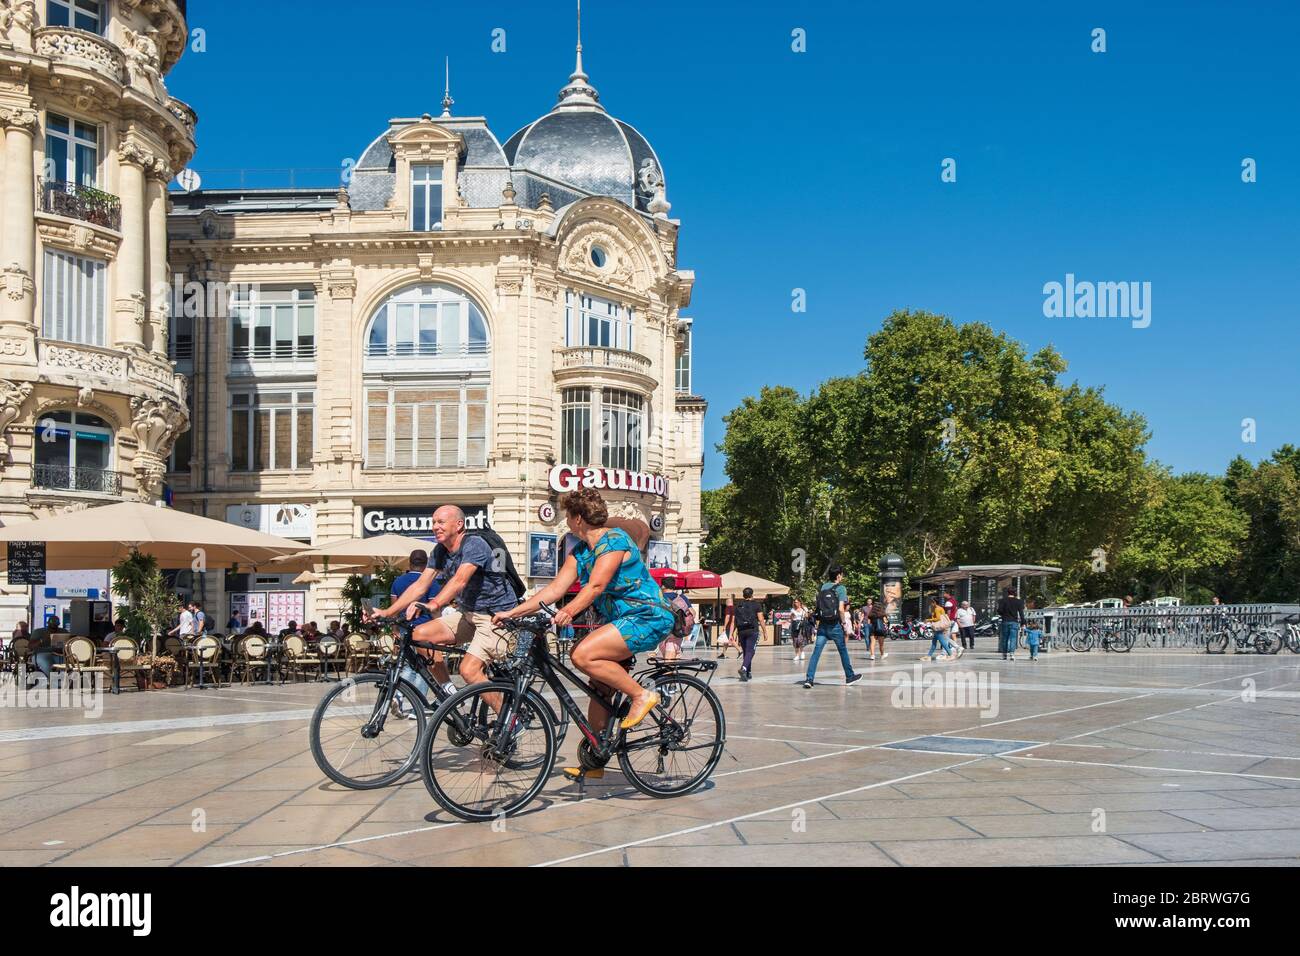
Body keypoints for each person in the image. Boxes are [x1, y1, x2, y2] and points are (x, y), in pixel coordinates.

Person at [495, 487, 673, 780]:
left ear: (578, 518)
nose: (566, 521)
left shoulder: (614, 540)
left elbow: (596, 587)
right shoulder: (580, 552)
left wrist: (569, 611)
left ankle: (642, 695)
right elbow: (555, 589)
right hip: (620, 621)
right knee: (600, 687)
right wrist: (512, 613)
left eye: (568, 515)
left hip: (647, 616)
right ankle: (596, 759)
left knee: (582, 654)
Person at [372, 505, 518, 694]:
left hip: (495, 617)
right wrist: (387, 612)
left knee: (469, 671)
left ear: (458, 525)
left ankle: (512, 723)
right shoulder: (440, 551)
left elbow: (459, 580)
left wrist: (433, 604)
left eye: (440, 522)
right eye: (433, 522)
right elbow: (420, 585)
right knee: (419, 634)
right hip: (468, 615)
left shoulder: (474, 544)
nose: (435, 526)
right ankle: (448, 691)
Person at [387, 549, 453, 701]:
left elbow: (394, 609)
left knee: (407, 665)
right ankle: (417, 702)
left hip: (404, 630)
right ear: (427, 564)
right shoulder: (431, 583)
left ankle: (398, 696)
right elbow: (435, 610)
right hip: (426, 631)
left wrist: (395, 630)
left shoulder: (398, 582)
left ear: (409, 563)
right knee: (424, 668)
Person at [802, 566, 863, 689]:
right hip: (835, 625)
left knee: (816, 652)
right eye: (842, 574)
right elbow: (841, 609)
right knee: (842, 650)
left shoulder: (824, 587)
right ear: (839, 575)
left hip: (823, 625)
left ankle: (809, 679)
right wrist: (844, 624)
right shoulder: (841, 589)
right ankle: (849, 676)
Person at [729, 586, 766, 682]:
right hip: (752, 630)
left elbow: (733, 621)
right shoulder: (756, 605)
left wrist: (731, 634)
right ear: (752, 594)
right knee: (751, 651)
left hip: (741, 631)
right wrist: (765, 632)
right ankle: (744, 668)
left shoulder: (737, 605)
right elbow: (761, 619)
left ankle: (748, 673)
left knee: (746, 652)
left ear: (743, 595)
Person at [30, 614, 67, 681]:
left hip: (59, 654)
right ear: (47, 624)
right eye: (51, 627)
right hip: (41, 654)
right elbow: (30, 646)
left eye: (55, 627)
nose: (53, 629)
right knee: (46, 662)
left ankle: (63, 680)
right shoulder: (38, 632)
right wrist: (41, 640)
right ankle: (54, 680)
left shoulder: (63, 631)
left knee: (67, 661)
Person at [922, 597, 961, 661]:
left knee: (942, 642)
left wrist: (928, 620)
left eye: (931, 602)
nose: (931, 604)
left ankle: (951, 654)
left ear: (934, 602)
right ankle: (929, 656)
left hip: (938, 627)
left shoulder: (937, 609)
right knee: (934, 642)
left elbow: (938, 618)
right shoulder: (940, 608)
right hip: (940, 627)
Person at [997, 587, 1026, 661]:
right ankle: (1012, 654)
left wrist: (1004, 613)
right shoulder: (1019, 601)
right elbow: (1021, 613)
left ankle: (1004, 654)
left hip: (1005, 621)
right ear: (1015, 593)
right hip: (1014, 622)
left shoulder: (1002, 601)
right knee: (1013, 638)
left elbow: (999, 611)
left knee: (1005, 638)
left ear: (1008, 593)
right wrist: (1023, 623)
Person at [866, 597, 888, 661]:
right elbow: (885, 621)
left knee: (872, 643)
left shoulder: (871, 615)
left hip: (873, 628)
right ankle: (882, 655)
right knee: (881, 644)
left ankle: (872, 655)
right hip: (880, 629)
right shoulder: (882, 614)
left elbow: (869, 622)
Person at [789, 598, 809, 663]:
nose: (796, 603)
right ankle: (797, 655)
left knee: (801, 640)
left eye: (797, 602)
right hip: (795, 626)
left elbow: (807, 616)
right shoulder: (792, 609)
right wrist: (792, 616)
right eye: (795, 602)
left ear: (800, 602)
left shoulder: (804, 609)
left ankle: (802, 652)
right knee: (795, 640)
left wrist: (804, 610)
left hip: (802, 626)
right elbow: (791, 618)